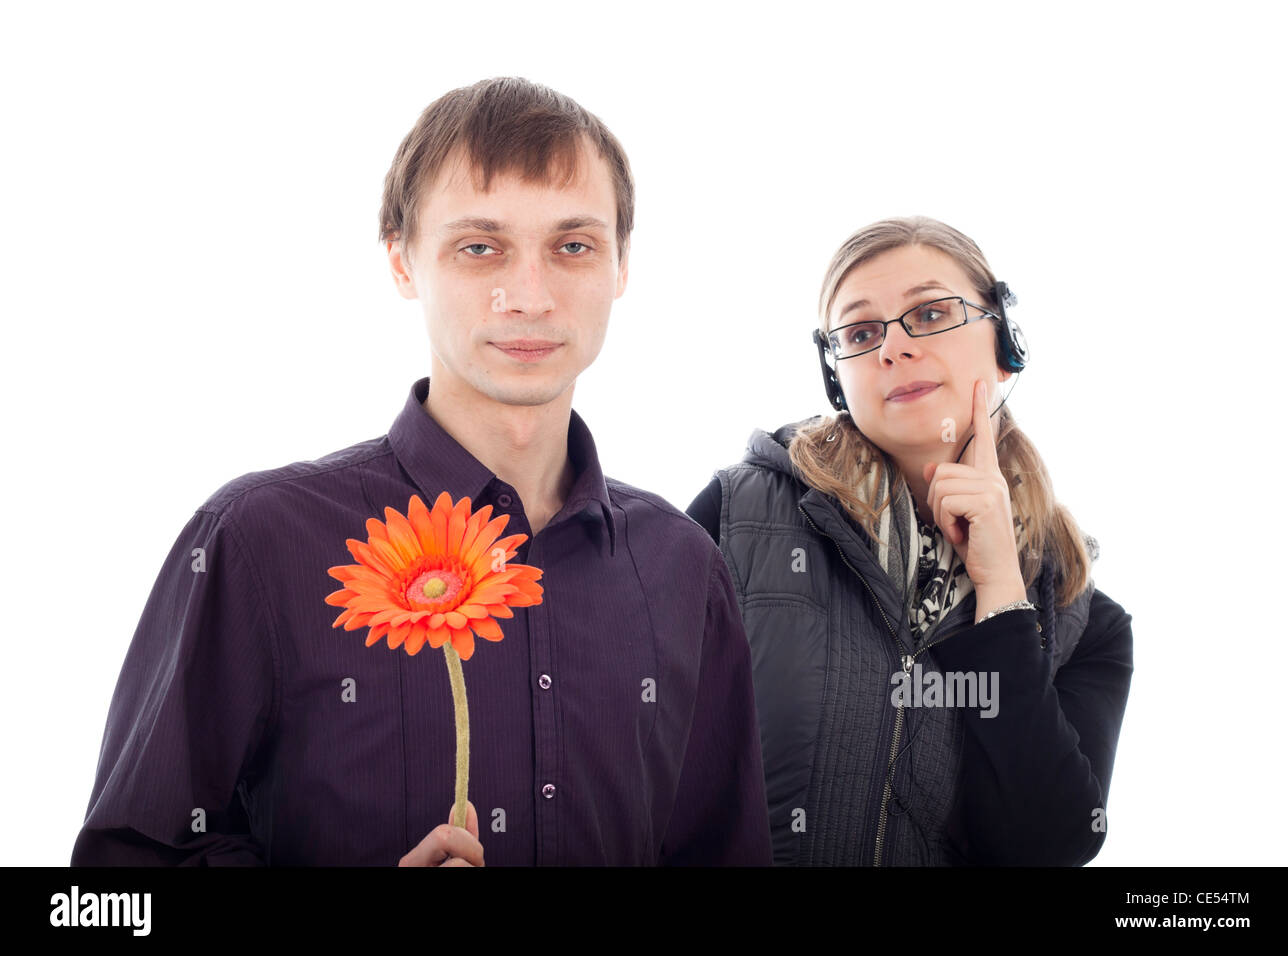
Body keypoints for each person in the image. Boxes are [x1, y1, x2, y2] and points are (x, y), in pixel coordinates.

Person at [72, 77, 771, 867]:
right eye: (481, 247)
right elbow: (109, 890)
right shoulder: (258, 541)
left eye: (573, 245)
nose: (530, 297)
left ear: (621, 265)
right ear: (402, 261)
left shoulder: (684, 568)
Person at [687, 216, 1133, 866]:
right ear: (837, 375)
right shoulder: (735, 518)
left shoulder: (1084, 622)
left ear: (1005, 342)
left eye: (929, 314)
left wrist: (1003, 598)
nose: (893, 349)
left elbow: (1049, 845)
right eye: (862, 333)